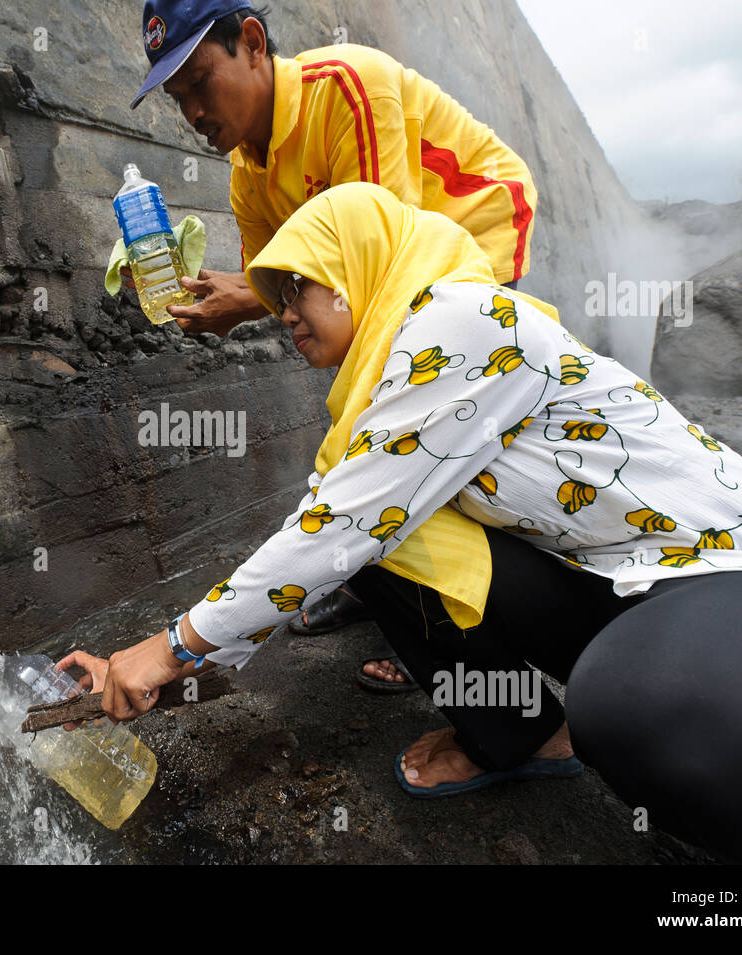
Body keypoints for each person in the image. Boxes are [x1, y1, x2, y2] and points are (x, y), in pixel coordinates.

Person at [62, 181, 742, 863]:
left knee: (626, 705)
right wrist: (191, 660)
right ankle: (522, 733)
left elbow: (337, 526)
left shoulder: (465, 321)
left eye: (300, 283)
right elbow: (333, 532)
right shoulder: (390, 386)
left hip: (735, 572)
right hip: (620, 579)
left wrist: (166, 647)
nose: (285, 313)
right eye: (276, 295)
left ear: (359, 260)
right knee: (377, 537)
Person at [125, 2, 543, 658]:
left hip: (473, 215)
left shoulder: (347, 88)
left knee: (432, 402)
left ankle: (444, 619)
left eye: (201, 82)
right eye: (179, 100)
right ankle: (371, 567)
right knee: (367, 394)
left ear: (254, 44)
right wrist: (219, 299)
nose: (194, 113)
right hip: (390, 263)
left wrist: (248, 297)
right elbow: (290, 290)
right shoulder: (247, 175)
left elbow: (387, 269)